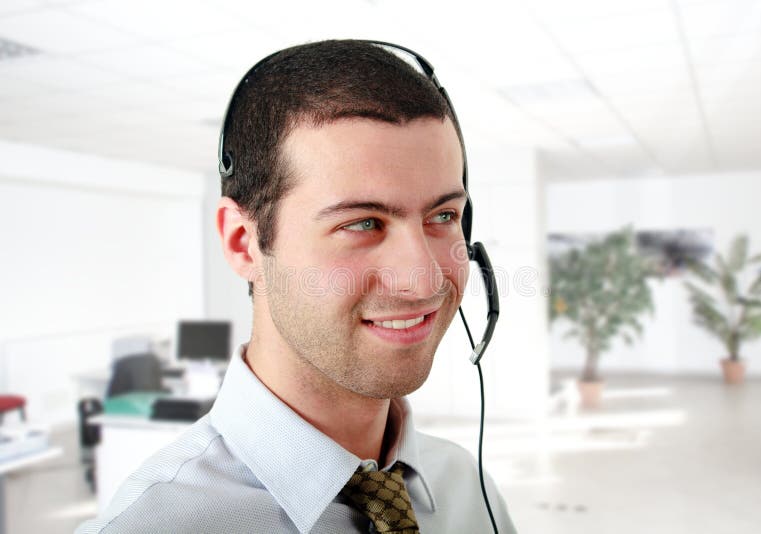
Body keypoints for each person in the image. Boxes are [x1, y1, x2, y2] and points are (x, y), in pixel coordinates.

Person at [77, 39, 516, 533]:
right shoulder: (151, 526)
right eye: (363, 223)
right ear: (244, 243)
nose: (423, 279)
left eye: (443, 215)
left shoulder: (468, 488)